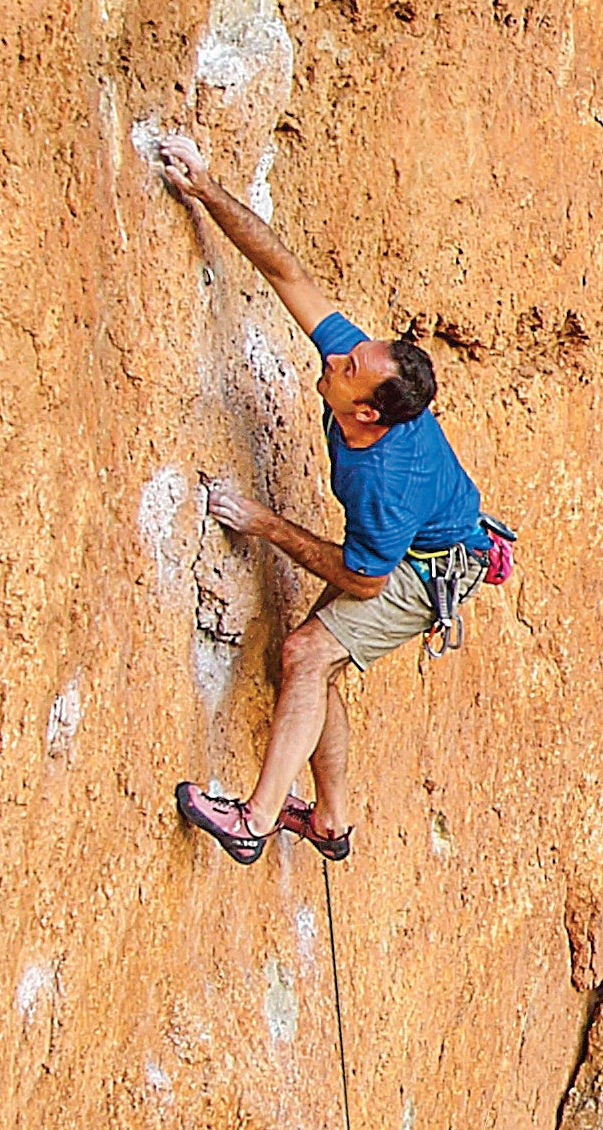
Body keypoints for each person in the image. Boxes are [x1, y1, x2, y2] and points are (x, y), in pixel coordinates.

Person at [161, 151, 490, 866]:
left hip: (420, 565)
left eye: (346, 369)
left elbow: (368, 581)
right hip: (417, 543)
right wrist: (206, 189)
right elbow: (287, 274)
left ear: (369, 413)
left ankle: (254, 820)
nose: (332, 360)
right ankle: (330, 820)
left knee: (307, 652)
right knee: (321, 660)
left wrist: (265, 524)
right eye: (347, 354)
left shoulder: (384, 478)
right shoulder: (361, 374)